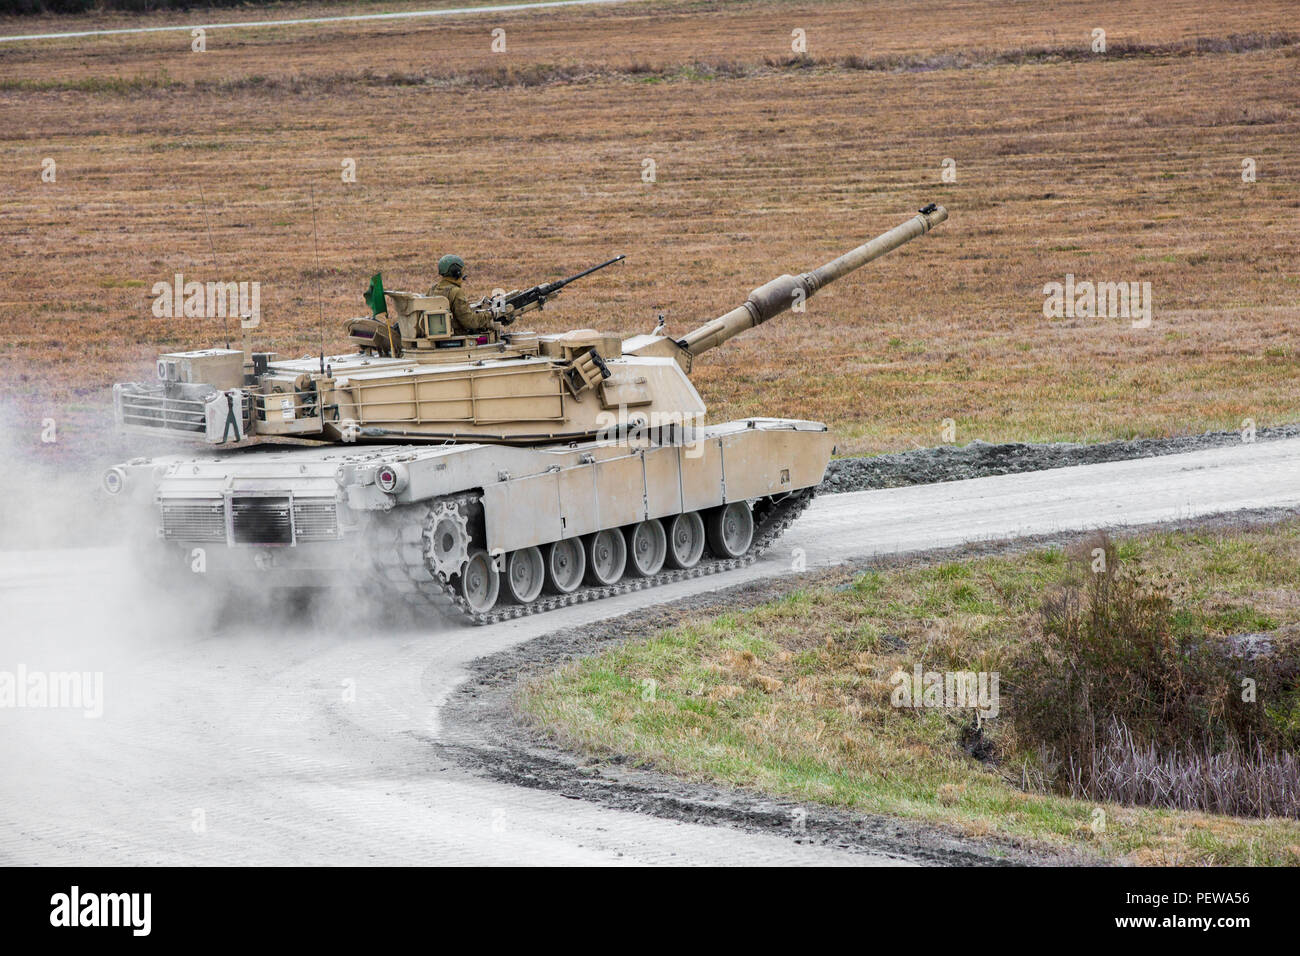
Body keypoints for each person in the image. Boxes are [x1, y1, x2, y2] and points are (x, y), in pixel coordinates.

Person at [428, 254, 495, 334]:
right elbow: (469, 322)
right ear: (457, 272)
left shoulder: (432, 289)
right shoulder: (456, 292)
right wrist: (491, 314)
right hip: (456, 336)